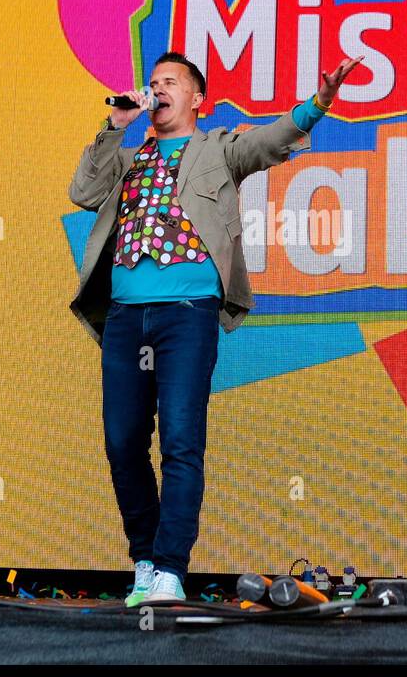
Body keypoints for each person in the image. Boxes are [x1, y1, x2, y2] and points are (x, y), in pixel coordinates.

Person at [68, 50, 362, 605]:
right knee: (123, 442)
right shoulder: (129, 158)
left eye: (171, 82)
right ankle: (146, 560)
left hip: (187, 314)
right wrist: (114, 126)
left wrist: (319, 102)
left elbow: (270, 140)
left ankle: (171, 571)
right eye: (153, 82)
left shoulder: (217, 149)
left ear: (196, 98)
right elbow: (83, 192)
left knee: (181, 440)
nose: (157, 90)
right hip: (128, 318)